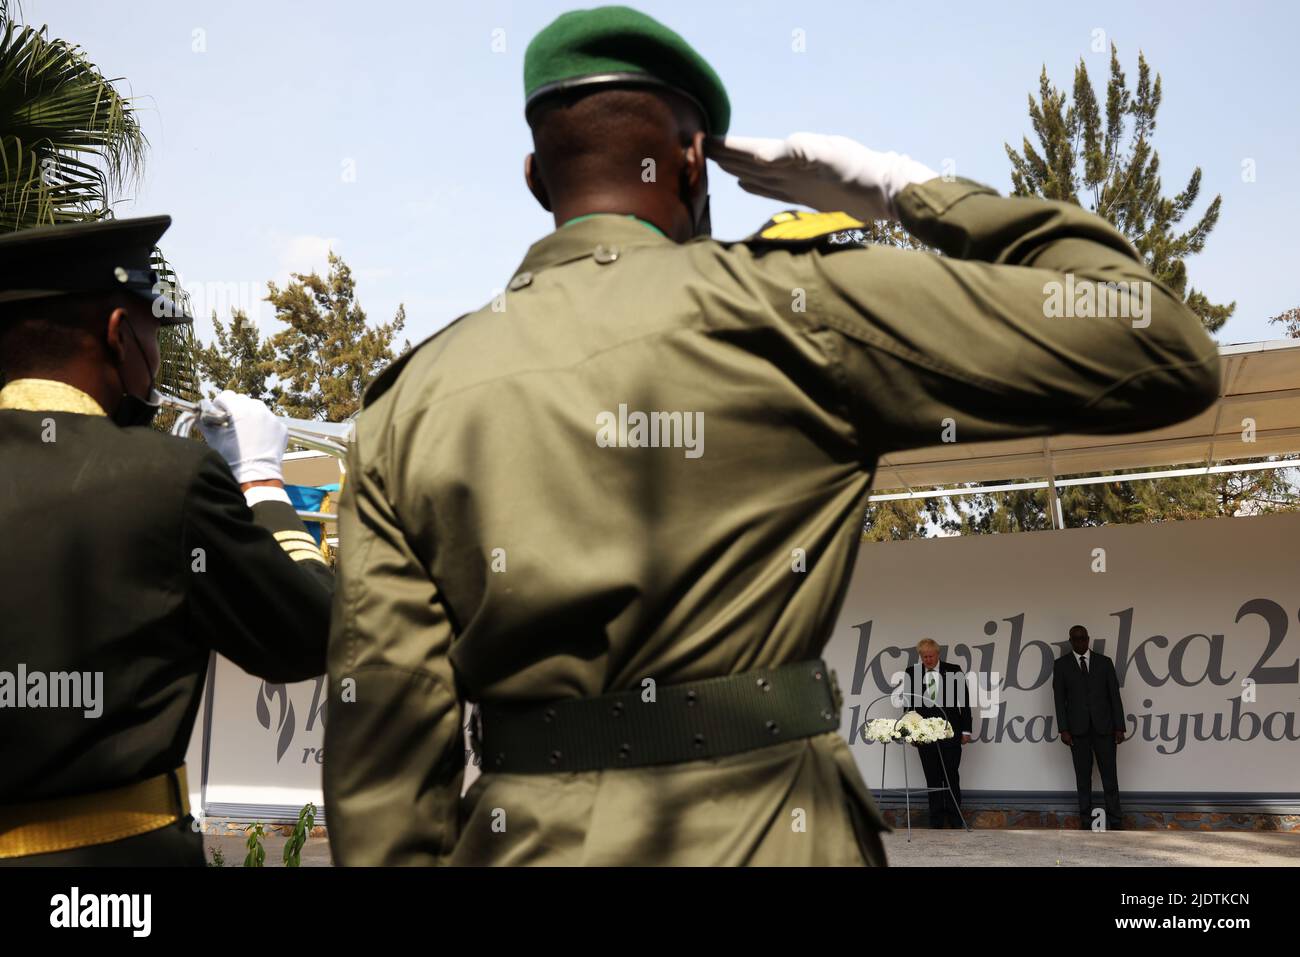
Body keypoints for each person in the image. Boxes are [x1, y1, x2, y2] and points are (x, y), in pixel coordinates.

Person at [323, 5, 1219, 865]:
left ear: (534, 179)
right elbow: (1156, 341)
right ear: (693, 164)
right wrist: (905, 190)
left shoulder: (410, 406)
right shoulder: (795, 312)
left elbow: (384, 772)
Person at [0, 216, 333, 865]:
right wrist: (262, 479)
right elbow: (309, 631)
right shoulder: (165, 479)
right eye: (152, 330)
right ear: (121, 334)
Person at [1053, 625, 1126, 830]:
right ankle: (1086, 820)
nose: (1080, 642)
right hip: (1077, 731)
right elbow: (1059, 700)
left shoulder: (1104, 663)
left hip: (1105, 728)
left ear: (1088, 638)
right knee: (1083, 778)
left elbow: (1114, 697)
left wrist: (1119, 727)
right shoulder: (1061, 665)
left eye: (1083, 638)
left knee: (1109, 777)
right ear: (1071, 641)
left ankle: (1115, 820)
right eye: (1076, 639)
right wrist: (1063, 729)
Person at [901, 639, 972, 829]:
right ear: (920, 656)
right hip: (924, 735)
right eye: (924, 657)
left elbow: (964, 702)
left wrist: (966, 730)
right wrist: (910, 732)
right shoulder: (911, 673)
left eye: (931, 656)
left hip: (950, 732)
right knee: (932, 777)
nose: (928, 660)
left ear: (938, 654)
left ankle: (956, 819)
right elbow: (908, 706)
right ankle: (936, 821)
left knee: (951, 775)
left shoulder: (953, 670)